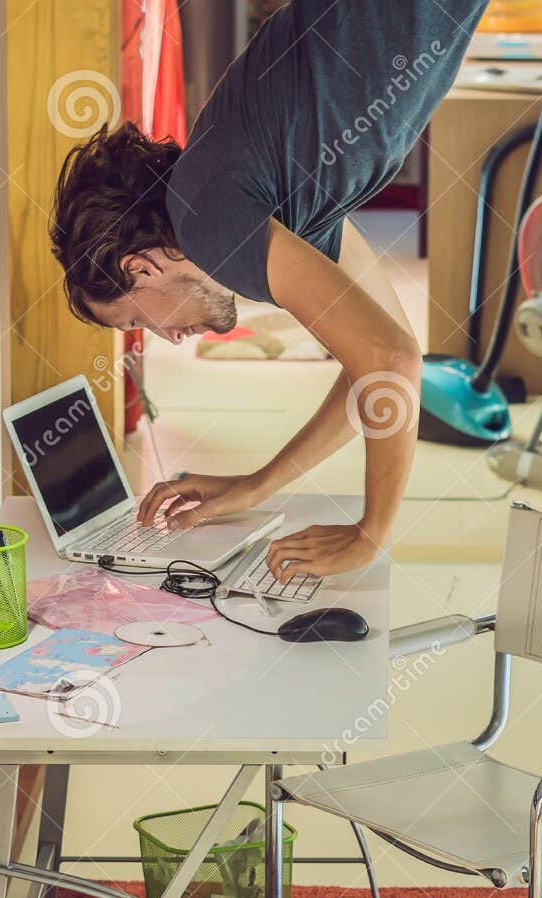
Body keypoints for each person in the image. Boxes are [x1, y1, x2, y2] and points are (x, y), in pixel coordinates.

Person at [50, 1, 491, 580]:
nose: (169, 338)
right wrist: (257, 485)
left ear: (141, 270)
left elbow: (389, 361)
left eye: (138, 323)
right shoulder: (266, 195)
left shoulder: (207, 221)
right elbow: (382, 361)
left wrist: (370, 533)